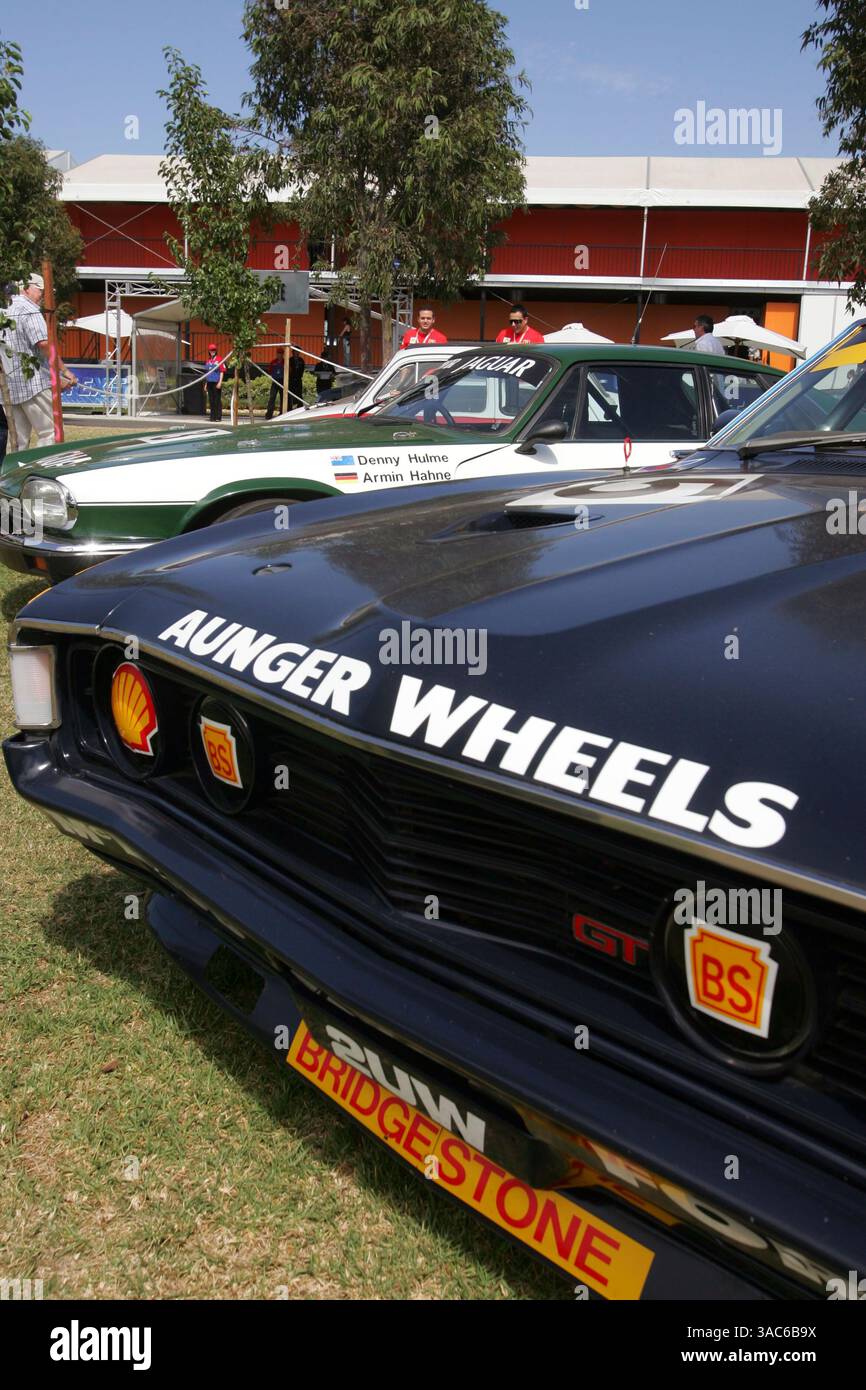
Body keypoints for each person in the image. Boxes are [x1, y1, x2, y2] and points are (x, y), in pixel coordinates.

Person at [1, 272, 76, 449]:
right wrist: (63, 372)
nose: (43, 295)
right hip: (33, 383)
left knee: (18, 441)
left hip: (9, 386)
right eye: (40, 290)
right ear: (27, 289)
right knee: (50, 432)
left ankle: (15, 474)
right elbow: (44, 344)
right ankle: (45, 471)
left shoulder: (4, 310)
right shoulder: (30, 309)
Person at [204, 344, 225, 420]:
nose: (212, 352)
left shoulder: (219, 359)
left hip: (216, 382)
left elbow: (222, 371)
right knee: (211, 400)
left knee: (217, 400)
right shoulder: (208, 361)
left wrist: (220, 382)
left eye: (214, 350)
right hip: (209, 382)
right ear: (209, 351)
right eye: (211, 350)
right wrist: (206, 384)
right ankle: (212, 416)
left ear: (216, 351)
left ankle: (218, 417)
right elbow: (207, 373)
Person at [265, 347, 285, 420]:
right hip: (275, 381)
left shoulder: (285, 362)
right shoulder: (273, 362)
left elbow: (289, 371)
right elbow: (269, 371)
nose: (279, 355)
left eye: (281, 354)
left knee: (283, 398)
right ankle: (269, 414)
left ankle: (282, 413)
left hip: (282, 381)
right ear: (277, 354)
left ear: (283, 354)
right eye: (278, 353)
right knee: (272, 397)